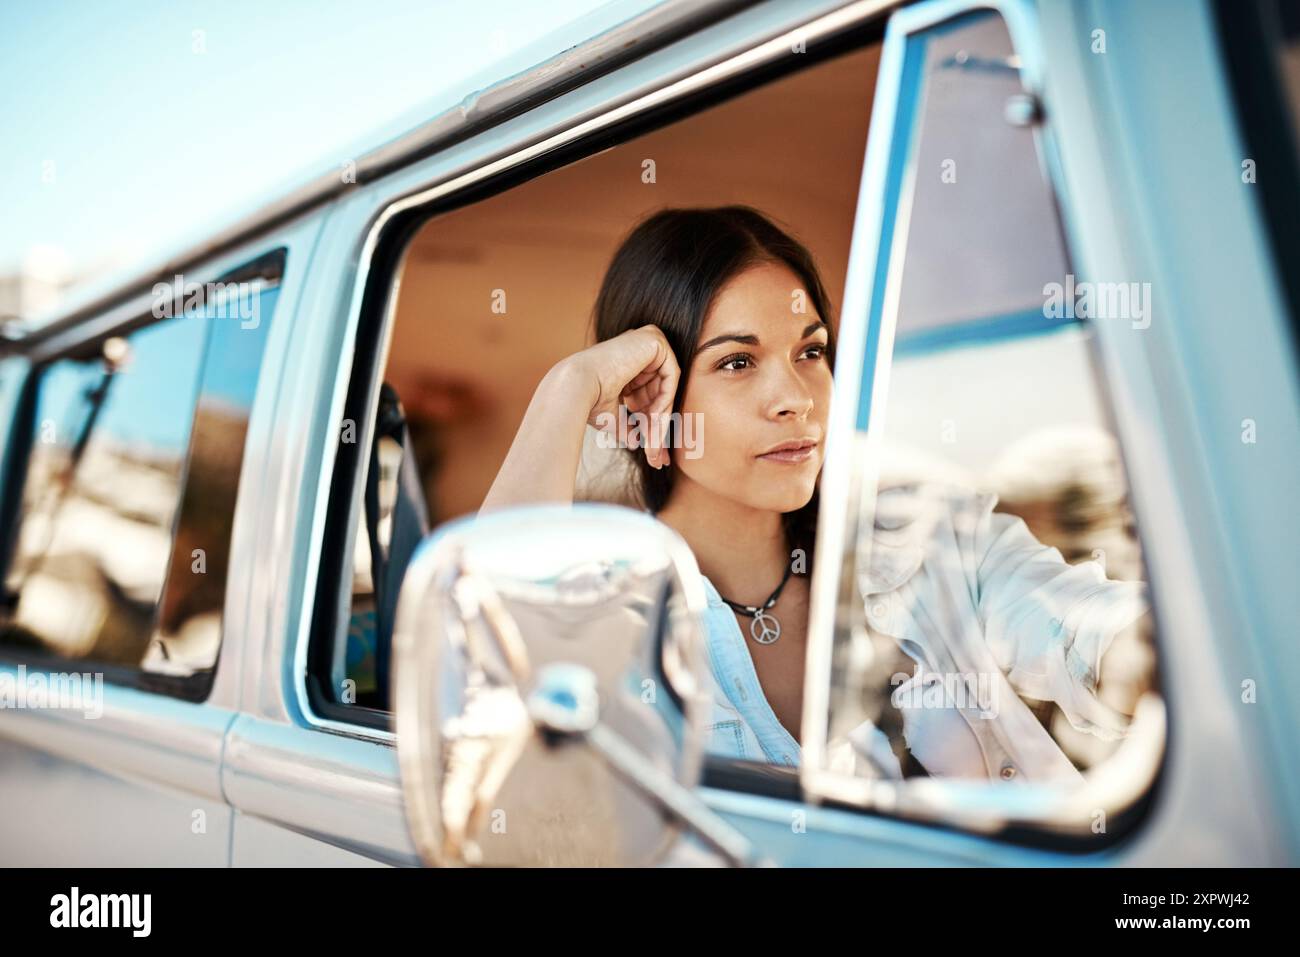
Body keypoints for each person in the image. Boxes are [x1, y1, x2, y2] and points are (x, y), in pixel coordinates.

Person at [481, 205, 1148, 784]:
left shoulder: (933, 544)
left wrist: (1136, 650)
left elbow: (1081, 627)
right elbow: (481, 659)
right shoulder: (608, 624)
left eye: (811, 351)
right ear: (648, 399)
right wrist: (569, 385)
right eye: (737, 362)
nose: (798, 399)